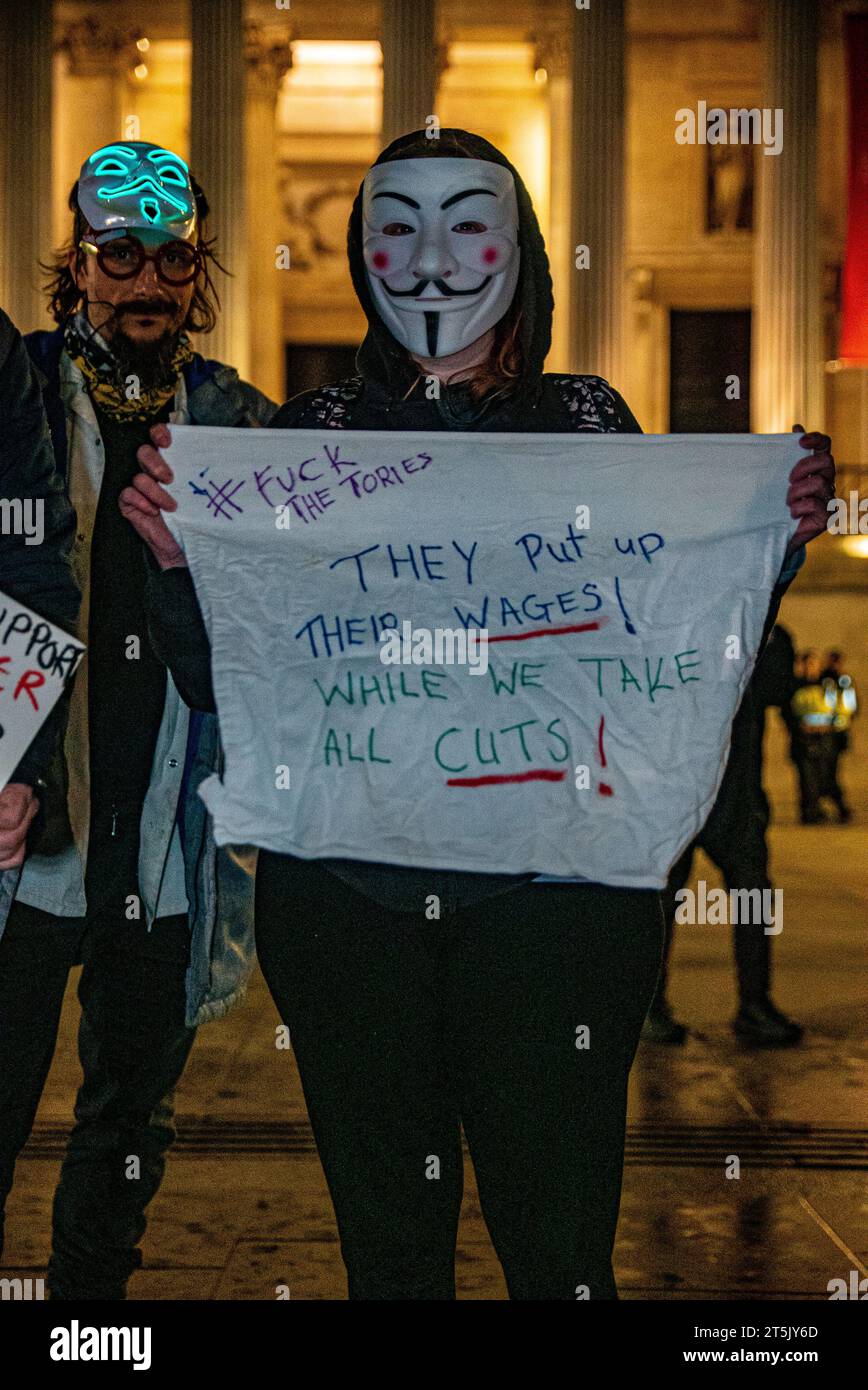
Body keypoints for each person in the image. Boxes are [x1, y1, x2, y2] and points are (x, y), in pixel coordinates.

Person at [124, 129, 835, 1300]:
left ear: (522, 249)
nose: (432, 259)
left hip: (554, 913)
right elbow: (234, 691)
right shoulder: (303, 443)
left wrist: (764, 542)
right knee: (390, 1260)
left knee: (558, 1253)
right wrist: (178, 566)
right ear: (360, 256)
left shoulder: (591, 425)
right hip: (351, 909)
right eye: (394, 227)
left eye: (467, 221)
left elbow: (663, 638)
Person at [0, 142, 276, 1301]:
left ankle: (86, 1324)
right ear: (79, 260)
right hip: (27, 827)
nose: (148, 281)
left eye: (172, 257)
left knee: (126, 1129)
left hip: (162, 839)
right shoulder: (11, 386)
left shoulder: (238, 420)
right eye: (121, 254)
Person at [644, 624, 804, 1047]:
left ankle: (754, 1004)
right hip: (679, 790)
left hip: (734, 793)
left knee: (752, 898)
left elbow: (779, 687)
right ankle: (651, 1005)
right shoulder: (680, 617)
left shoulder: (758, 622)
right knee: (663, 902)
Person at [792, 650, 852, 823]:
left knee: (827, 777)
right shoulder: (796, 686)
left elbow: (841, 711)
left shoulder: (829, 686)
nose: (810, 668)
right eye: (807, 664)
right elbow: (791, 713)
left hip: (826, 739)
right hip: (804, 741)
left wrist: (830, 727)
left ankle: (837, 809)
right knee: (808, 781)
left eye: (814, 664)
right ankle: (811, 812)